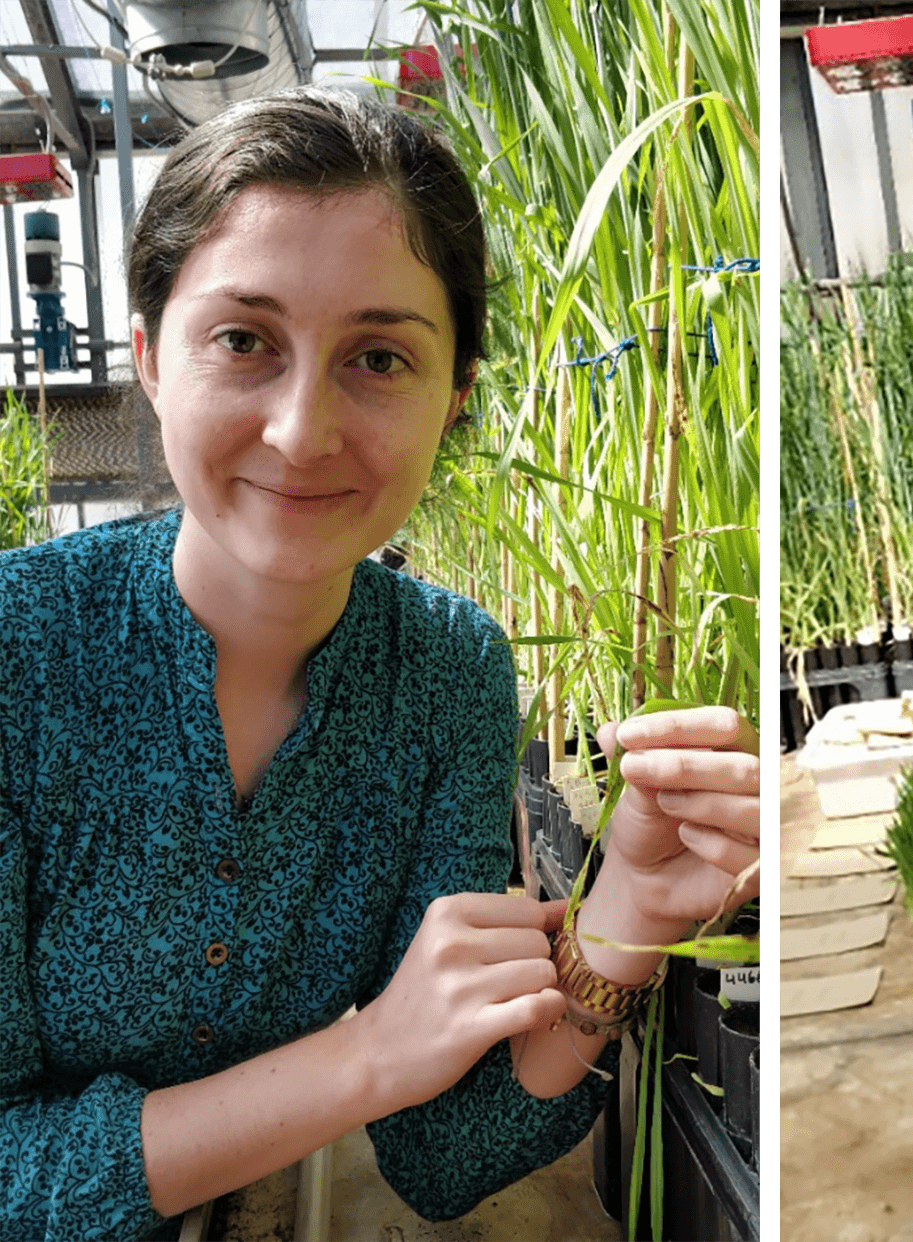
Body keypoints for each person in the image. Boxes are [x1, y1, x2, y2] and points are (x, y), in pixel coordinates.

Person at [0, 87, 760, 1240]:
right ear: (152, 358)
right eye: (244, 340)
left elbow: (444, 1150)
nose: (303, 430)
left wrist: (631, 910)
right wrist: (362, 1055)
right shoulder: (21, 652)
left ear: (455, 399)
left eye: (377, 358)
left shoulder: (448, 672)